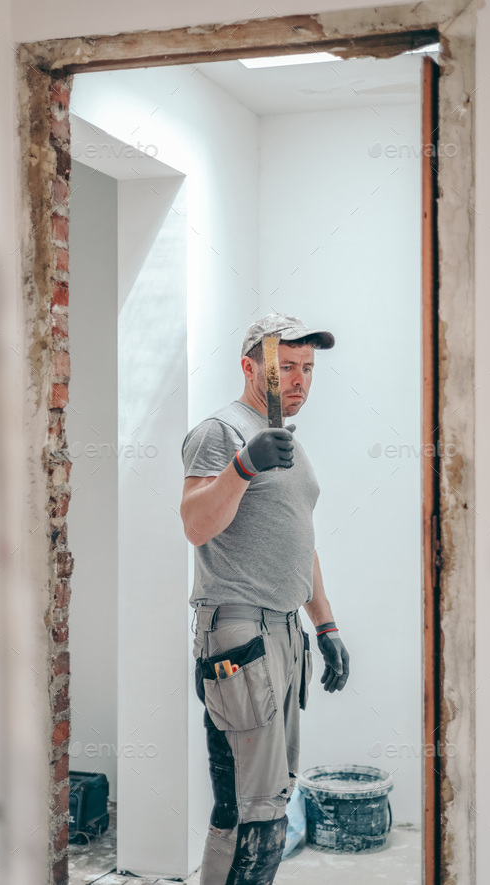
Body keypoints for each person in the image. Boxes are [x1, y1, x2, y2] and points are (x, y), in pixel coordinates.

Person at [180, 313, 350, 885]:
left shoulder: (289, 444)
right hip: (238, 632)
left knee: (267, 798)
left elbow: (298, 537)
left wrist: (324, 626)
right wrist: (243, 465)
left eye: (308, 369)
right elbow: (196, 524)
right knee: (254, 813)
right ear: (251, 368)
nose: (299, 381)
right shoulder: (221, 432)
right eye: (286, 369)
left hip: (283, 630)